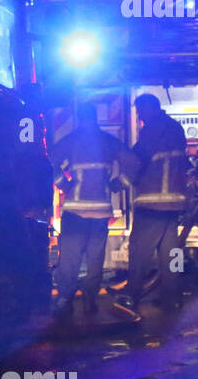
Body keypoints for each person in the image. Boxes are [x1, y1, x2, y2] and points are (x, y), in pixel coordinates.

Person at [50, 103, 137, 320]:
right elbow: (134, 162)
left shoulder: (71, 140)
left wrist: (64, 184)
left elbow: (49, 162)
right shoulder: (108, 141)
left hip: (75, 211)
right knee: (95, 258)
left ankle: (65, 300)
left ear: (80, 118)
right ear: (96, 118)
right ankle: (90, 301)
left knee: (70, 258)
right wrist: (120, 183)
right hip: (100, 211)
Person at [122, 93, 190, 312]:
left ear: (150, 108)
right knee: (172, 254)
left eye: (140, 110)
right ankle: (174, 297)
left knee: (139, 252)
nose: (140, 116)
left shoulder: (151, 129)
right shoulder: (176, 128)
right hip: (174, 205)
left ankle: (132, 297)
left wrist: (119, 182)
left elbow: (137, 160)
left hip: (152, 204)